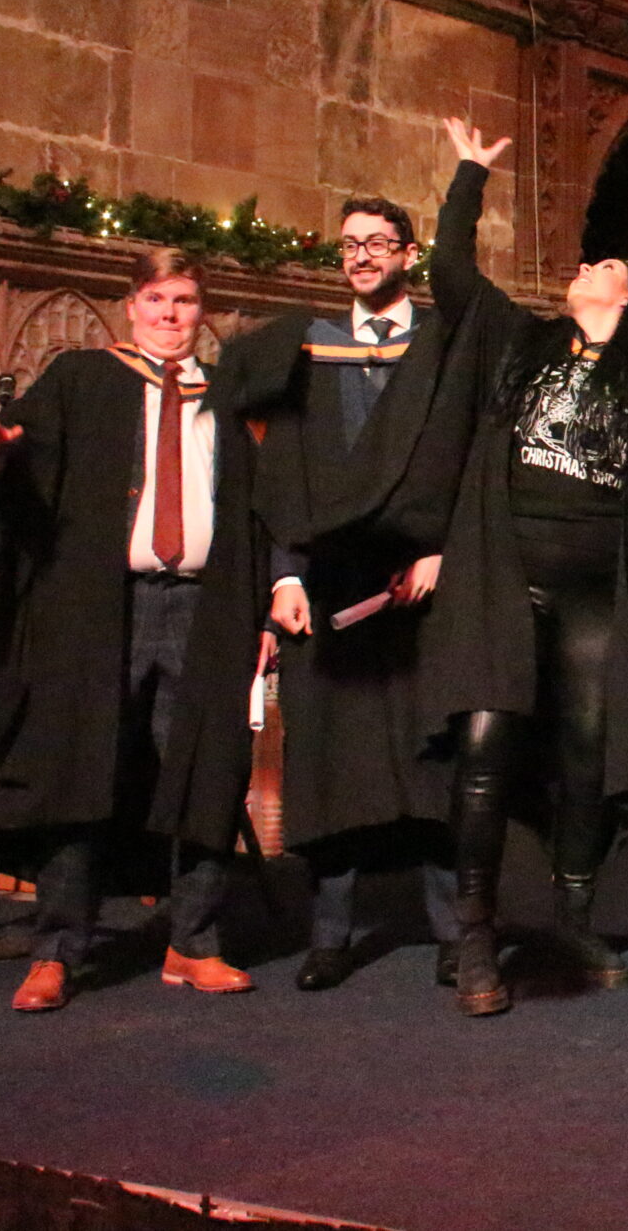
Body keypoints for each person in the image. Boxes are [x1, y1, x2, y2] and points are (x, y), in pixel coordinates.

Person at [416, 118, 628, 1016]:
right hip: (505, 576)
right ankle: (476, 933)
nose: (585, 268)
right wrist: (469, 175)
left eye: (604, 266)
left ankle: (573, 919)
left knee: (587, 755)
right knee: (485, 744)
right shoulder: (523, 341)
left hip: (597, 590)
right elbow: (452, 275)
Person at [0, 249, 268, 1013]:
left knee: (206, 770)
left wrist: (266, 606)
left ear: (203, 310)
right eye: (156, 298)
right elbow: (16, 448)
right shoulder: (83, 379)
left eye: (185, 299)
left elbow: (264, 507)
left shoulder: (228, 396)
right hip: (101, 609)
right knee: (81, 768)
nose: (170, 313)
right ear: (131, 306)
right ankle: (57, 950)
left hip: (206, 608)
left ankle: (193, 941)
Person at [240, 194, 481, 992]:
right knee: (330, 762)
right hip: (331, 585)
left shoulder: (444, 346)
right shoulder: (309, 350)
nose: (362, 256)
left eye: (379, 242)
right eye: (350, 244)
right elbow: (282, 473)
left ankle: (455, 932)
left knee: (432, 759)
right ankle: (331, 933)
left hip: (424, 585)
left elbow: (473, 460)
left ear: (409, 254)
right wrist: (284, 574)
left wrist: (443, 548)